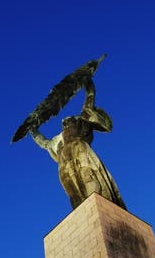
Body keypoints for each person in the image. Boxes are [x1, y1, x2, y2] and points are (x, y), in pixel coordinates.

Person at [30, 81, 126, 211]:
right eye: (64, 122)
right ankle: (84, 213)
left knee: (91, 182)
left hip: (81, 153)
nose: (65, 122)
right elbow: (43, 142)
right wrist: (32, 130)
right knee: (73, 191)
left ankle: (104, 207)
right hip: (64, 163)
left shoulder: (80, 122)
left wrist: (88, 83)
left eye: (68, 121)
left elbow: (89, 101)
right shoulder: (56, 141)